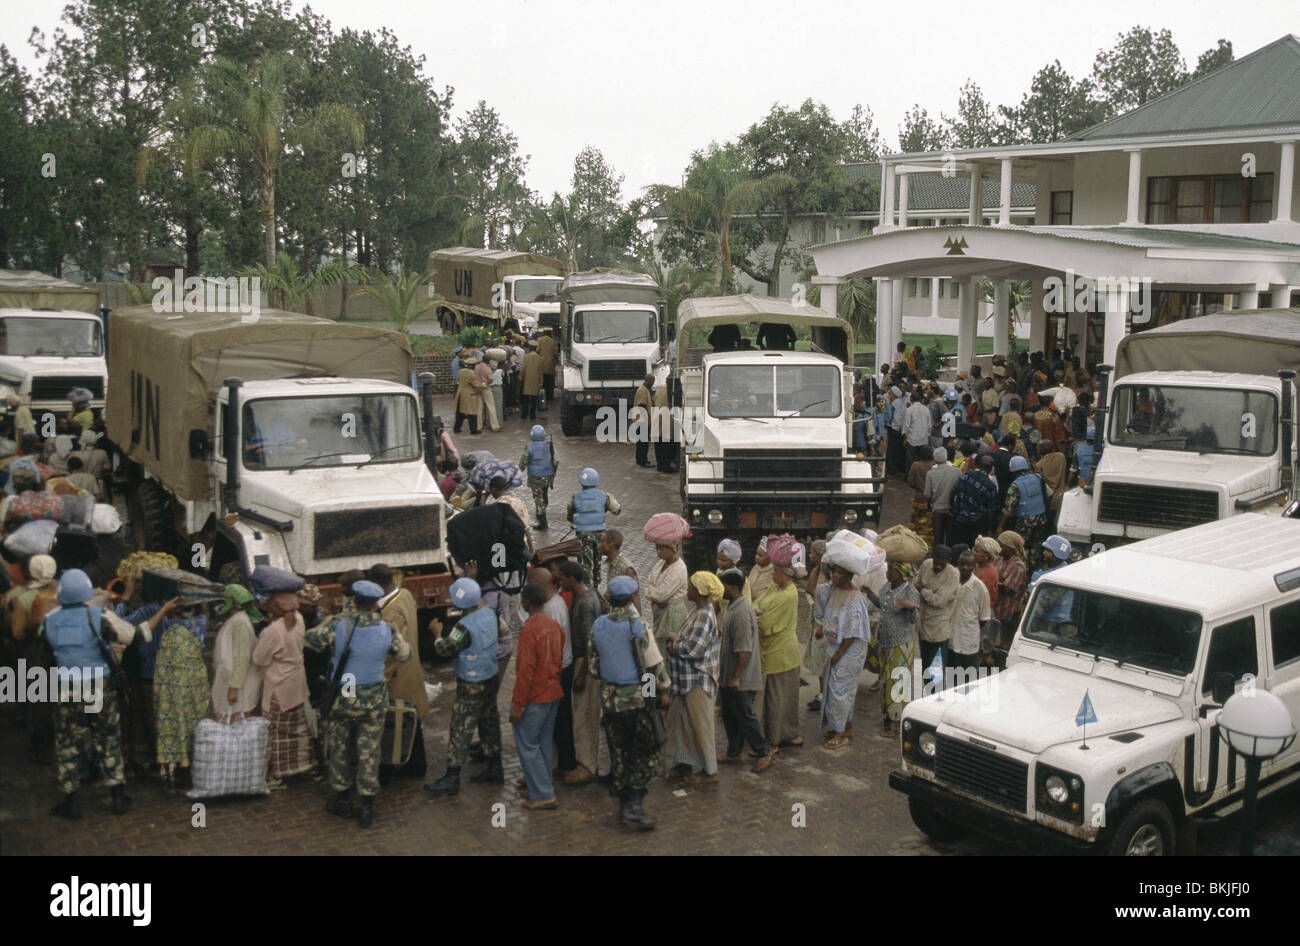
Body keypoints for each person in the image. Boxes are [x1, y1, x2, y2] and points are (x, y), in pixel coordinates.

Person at [45, 569, 156, 819]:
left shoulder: (50, 620)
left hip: (65, 686)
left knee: (66, 741)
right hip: (97, 684)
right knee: (108, 737)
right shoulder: (99, 616)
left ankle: (71, 800)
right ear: (86, 592)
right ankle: (117, 796)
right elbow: (133, 635)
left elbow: (48, 652)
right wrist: (157, 617)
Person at [305, 580, 409, 827]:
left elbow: (310, 641)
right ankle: (366, 805)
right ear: (375, 603)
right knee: (369, 750)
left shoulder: (339, 624)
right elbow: (405, 654)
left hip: (345, 692)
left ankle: (341, 799)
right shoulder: (388, 628)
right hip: (374, 696)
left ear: (353, 600)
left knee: (339, 747)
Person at [589, 577, 670, 829]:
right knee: (647, 753)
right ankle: (634, 803)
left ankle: (623, 798)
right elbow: (652, 666)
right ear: (633, 598)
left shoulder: (598, 625)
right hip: (636, 701)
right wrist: (658, 695)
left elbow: (594, 668)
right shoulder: (638, 626)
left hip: (610, 701)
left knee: (619, 752)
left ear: (609, 598)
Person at [425, 578, 507, 799]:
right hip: (490, 673)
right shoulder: (491, 612)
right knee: (489, 719)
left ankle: (452, 777)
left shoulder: (463, 627)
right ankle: (495, 766)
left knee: (461, 725)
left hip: (471, 681)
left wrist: (437, 634)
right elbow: (504, 630)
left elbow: (444, 649)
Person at [370, 564, 429, 782]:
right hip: (411, 669)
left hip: (397, 676)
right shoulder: (404, 594)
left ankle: (400, 768)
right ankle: (416, 766)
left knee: (398, 722)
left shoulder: (390, 614)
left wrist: (380, 679)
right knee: (413, 720)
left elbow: (389, 652)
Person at [663, 571, 722, 784]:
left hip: (699, 679)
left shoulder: (705, 615)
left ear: (698, 591)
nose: (687, 589)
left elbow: (693, 649)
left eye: (689, 587)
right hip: (687, 680)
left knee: (700, 726)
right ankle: (684, 764)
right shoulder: (697, 612)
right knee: (685, 724)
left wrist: (674, 646)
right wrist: (676, 639)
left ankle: (710, 772)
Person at [251, 591, 314, 789]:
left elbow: (259, 659)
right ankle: (303, 767)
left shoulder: (273, 630)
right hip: (297, 684)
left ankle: (277, 776)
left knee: (276, 733)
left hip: (279, 687)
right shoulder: (299, 620)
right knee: (298, 730)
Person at [510, 583, 565, 810]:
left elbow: (525, 670)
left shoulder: (529, 629)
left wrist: (517, 704)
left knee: (527, 744)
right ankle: (543, 781)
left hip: (536, 695)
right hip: (553, 691)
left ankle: (542, 793)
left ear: (526, 602)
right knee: (543, 741)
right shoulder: (553, 625)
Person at [151, 596, 209, 795]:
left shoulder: (172, 632)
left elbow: (163, 666)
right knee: (195, 728)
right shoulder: (201, 624)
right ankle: (195, 775)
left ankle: (176, 778)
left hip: (174, 692)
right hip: (197, 689)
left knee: (175, 730)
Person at [816, 554, 874, 749]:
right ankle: (845, 725)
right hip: (835, 647)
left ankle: (840, 734)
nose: (834, 575)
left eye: (840, 573)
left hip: (850, 650)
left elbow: (853, 631)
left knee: (840, 690)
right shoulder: (833, 591)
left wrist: (839, 655)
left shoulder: (854, 598)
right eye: (833, 571)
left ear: (848, 576)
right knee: (835, 688)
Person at [716, 568, 771, 772]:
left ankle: (763, 751)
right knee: (730, 715)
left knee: (745, 716)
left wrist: (736, 676)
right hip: (729, 674)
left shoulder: (740, 613)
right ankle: (734, 752)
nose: (720, 589)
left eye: (723, 586)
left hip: (741, 677)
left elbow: (743, 650)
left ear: (733, 588)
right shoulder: (732, 607)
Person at [557, 559, 602, 787]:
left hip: (585, 662)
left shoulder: (585, 603)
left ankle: (587, 766)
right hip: (582, 659)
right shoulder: (583, 596)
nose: (560, 582)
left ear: (572, 579)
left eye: (562, 578)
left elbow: (589, 643)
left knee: (585, 715)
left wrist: (582, 673)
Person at [755, 556, 802, 749]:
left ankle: (777, 738)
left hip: (782, 652)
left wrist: (757, 612)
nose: (772, 574)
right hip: (771, 650)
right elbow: (755, 603)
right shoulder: (776, 587)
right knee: (775, 697)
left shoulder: (788, 595)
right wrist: (756, 610)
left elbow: (765, 624)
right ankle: (780, 734)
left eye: (775, 571)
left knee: (778, 698)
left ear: (785, 575)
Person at [877, 562, 920, 736]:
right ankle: (888, 716)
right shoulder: (887, 586)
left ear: (900, 573)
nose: (887, 573)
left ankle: (896, 722)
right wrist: (870, 594)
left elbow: (914, 619)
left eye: (891, 570)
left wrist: (910, 607)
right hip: (886, 641)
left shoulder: (910, 590)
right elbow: (883, 606)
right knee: (886, 680)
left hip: (902, 643)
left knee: (898, 681)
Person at [210, 584, 263, 719]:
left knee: (236, 728)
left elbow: (242, 657)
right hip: (230, 681)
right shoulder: (237, 620)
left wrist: (234, 688)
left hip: (238, 689)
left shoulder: (240, 622)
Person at [567, 467, 621, 587]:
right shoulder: (604, 496)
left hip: (583, 535)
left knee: (586, 563)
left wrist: (573, 520)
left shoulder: (575, 496)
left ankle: (587, 587)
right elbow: (617, 510)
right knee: (598, 560)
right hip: (600, 534)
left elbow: (570, 513)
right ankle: (596, 584)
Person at [913, 545, 959, 672]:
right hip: (923, 627)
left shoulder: (953, 575)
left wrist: (923, 590)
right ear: (932, 558)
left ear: (948, 561)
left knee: (936, 671)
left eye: (941, 565)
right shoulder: (926, 565)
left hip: (939, 629)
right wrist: (925, 591)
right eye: (936, 563)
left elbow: (938, 601)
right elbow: (915, 583)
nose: (938, 567)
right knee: (925, 668)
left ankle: (936, 692)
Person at [950, 550, 991, 676]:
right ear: (957, 564)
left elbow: (983, 619)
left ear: (974, 566)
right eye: (962, 564)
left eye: (969, 565)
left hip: (968, 644)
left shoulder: (980, 588)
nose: (965, 568)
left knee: (965, 682)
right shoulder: (951, 581)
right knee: (950, 679)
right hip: (950, 641)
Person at [997, 455, 1051, 550]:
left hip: (1024, 522)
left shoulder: (1015, 485)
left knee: (1021, 546)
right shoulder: (1038, 477)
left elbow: (1008, 509)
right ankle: (1035, 562)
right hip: (1041, 517)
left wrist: (1000, 526)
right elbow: (1049, 494)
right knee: (1036, 544)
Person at [949, 453, 1000, 548]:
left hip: (960, 518)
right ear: (991, 469)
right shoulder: (990, 486)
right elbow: (992, 510)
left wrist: (951, 506)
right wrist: (990, 528)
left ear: (978, 465)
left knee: (955, 546)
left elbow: (953, 490)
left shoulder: (967, 474)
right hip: (977, 524)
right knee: (972, 549)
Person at [645, 539, 688, 650]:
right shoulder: (660, 564)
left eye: (662, 549)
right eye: (657, 548)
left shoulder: (679, 568)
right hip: (660, 615)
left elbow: (661, 595)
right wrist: (653, 593)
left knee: (669, 648)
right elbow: (648, 584)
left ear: (672, 548)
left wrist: (653, 593)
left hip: (671, 617)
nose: (658, 551)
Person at [519, 424, 556, 530]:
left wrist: (518, 471)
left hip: (535, 477)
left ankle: (543, 522)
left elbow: (523, 462)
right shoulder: (549, 445)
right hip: (547, 476)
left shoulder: (529, 447)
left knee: (538, 498)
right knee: (544, 494)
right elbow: (556, 460)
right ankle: (542, 510)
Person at [924, 447, 962, 547]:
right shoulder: (957, 471)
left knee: (937, 537)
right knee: (950, 536)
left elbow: (927, 494)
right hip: (952, 509)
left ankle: (937, 556)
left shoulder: (930, 473)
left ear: (935, 459)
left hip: (937, 509)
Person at [599, 529, 640, 614]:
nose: (599, 545)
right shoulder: (611, 563)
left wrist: (638, 621)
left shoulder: (626, 568)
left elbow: (635, 597)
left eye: (602, 542)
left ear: (611, 544)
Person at [453, 352, 487, 435]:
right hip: (469, 395)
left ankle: (456, 428)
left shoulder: (461, 371)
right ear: (473, 365)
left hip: (460, 393)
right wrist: (484, 384)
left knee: (460, 413)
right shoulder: (470, 374)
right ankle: (473, 430)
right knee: (472, 413)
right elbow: (477, 385)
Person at [652, 380, 676, 474]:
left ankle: (660, 465)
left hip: (657, 419)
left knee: (658, 444)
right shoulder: (672, 391)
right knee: (667, 445)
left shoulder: (659, 391)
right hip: (667, 420)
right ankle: (666, 466)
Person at [633, 374, 655, 467]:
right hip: (642, 420)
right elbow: (642, 405)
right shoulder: (643, 390)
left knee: (641, 442)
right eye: (652, 381)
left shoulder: (644, 389)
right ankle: (643, 461)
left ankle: (640, 459)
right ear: (647, 380)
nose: (653, 383)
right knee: (643, 442)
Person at [519, 342, 543, 420]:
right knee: (534, 398)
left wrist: (520, 377)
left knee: (525, 398)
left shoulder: (526, 357)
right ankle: (532, 415)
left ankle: (524, 414)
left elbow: (523, 369)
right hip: (536, 380)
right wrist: (541, 382)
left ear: (529, 348)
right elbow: (541, 372)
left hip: (527, 379)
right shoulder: (540, 358)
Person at [747, 537, 775, 601]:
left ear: (770, 558)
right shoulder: (756, 567)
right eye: (756, 554)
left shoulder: (772, 572)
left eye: (760, 555)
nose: (757, 557)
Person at [536, 329, 558, 408]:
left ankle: (541, 397)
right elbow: (555, 353)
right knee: (550, 381)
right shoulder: (553, 341)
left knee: (542, 380)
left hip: (541, 363)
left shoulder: (539, 340)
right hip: (550, 364)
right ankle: (549, 397)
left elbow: (537, 350)